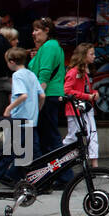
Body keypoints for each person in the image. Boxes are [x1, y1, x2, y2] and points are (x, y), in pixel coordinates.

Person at [1, 47, 40, 182]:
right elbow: (42, 95)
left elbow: (23, 95)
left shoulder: (17, 75)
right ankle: (34, 178)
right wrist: (36, 110)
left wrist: (8, 108)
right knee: (30, 151)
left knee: (11, 150)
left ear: (12, 62)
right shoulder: (31, 74)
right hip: (32, 119)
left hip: (20, 117)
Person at [30, 18, 66, 157]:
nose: (33, 33)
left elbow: (44, 73)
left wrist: (38, 97)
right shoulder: (49, 46)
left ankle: (64, 175)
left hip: (47, 96)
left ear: (47, 30)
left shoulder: (50, 46)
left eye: (37, 30)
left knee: (50, 137)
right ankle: (51, 173)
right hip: (49, 95)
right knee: (47, 137)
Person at [63, 43, 100, 168]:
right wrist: (87, 96)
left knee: (92, 134)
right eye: (91, 54)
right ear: (84, 55)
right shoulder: (74, 72)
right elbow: (67, 90)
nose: (94, 56)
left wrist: (93, 93)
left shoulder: (85, 72)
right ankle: (62, 161)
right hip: (76, 109)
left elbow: (87, 90)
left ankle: (94, 165)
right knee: (72, 137)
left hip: (86, 108)